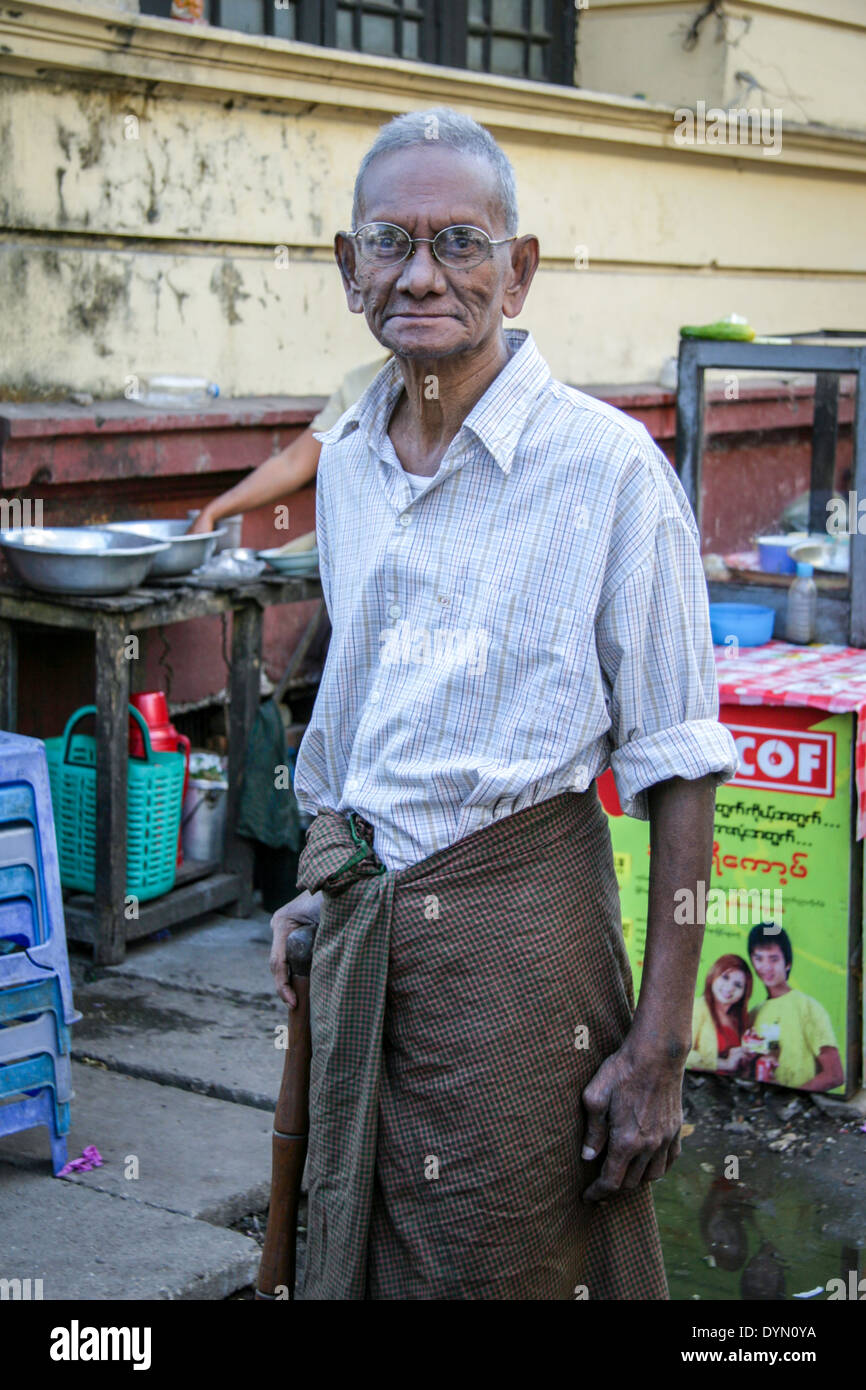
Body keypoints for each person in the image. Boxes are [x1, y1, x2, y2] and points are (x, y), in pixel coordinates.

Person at [269, 106, 739, 1301]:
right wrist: (309, 885)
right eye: (389, 241)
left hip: (521, 961)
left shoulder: (609, 469)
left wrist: (660, 1048)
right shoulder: (353, 463)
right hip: (359, 922)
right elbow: (355, 707)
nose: (421, 272)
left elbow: (679, 764)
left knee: (501, 1257)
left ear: (517, 271)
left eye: (460, 243)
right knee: (351, 1234)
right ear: (347, 267)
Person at [188, 356, 389, 534]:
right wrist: (213, 512)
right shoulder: (359, 383)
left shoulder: (421, 387)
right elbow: (293, 464)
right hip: (361, 545)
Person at [747, 923, 843, 1092]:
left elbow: (834, 1075)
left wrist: (789, 1100)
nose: (765, 967)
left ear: (788, 962)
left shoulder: (808, 1007)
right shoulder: (753, 1013)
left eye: (773, 958)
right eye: (758, 958)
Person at [688, 954, 752, 1075]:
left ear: (744, 992)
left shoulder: (740, 1018)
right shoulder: (698, 1007)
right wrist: (725, 1063)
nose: (729, 987)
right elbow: (681, 1054)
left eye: (738, 985)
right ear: (713, 975)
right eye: (725, 977)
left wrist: (746, 1058)